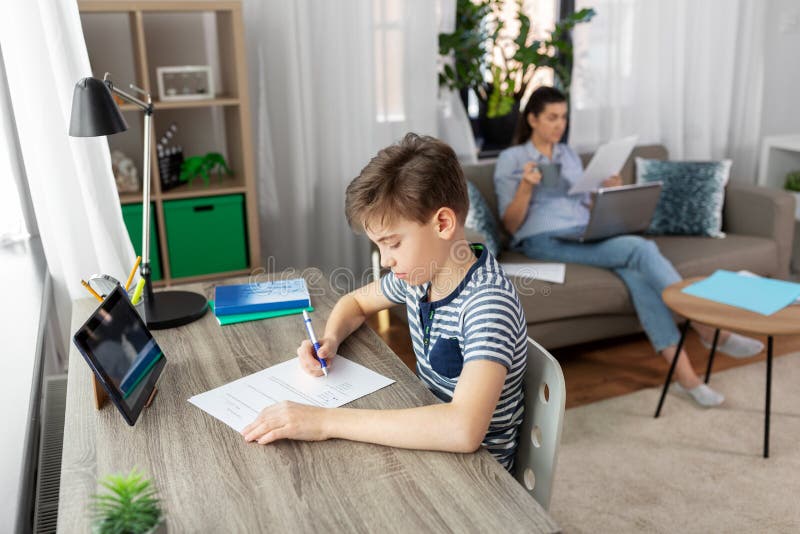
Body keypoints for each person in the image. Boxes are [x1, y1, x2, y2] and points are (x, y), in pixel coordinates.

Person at [242, 133, 528, 470]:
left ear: (443, 223)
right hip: (431, 440)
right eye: (380, 246)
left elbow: (463, 430)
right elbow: (354, 303)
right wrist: (330, 339)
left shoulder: (487, 305)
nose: (386, 260)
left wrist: (324, 421)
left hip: (477, 474)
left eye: (392, 243)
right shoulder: (423, 275)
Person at [493, 86, 763, 408]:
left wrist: (605, 193)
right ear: (533, 119)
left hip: (584, 230)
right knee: (641, 249)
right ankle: (707, 328)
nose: (559, 124)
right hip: (543, 239)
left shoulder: (568, 155)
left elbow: (584, 203)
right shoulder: (511, 159)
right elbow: (510, 225)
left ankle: (687, 378)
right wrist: (525, 187)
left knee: (636, 276)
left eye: (564, 117)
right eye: (552, 117)